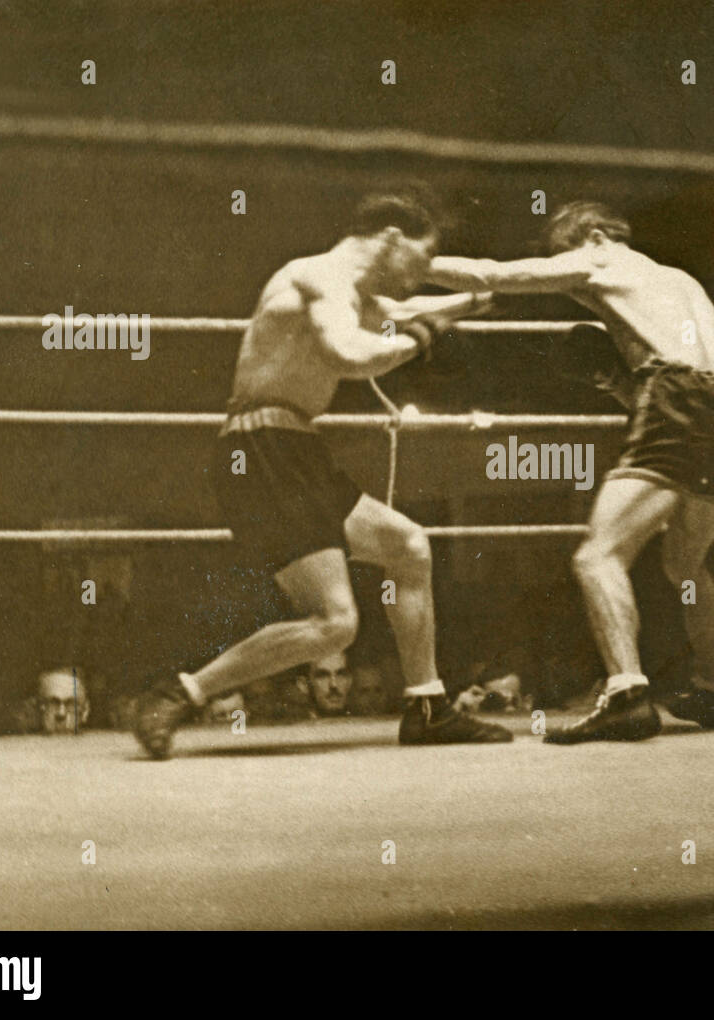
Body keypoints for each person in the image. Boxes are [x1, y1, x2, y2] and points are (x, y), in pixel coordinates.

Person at [133, 189, 511, 759]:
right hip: (262, 448)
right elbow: (350, 355)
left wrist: (462, 306)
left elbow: (396, 315)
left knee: (408, 545)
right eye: (421, 257)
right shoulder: (320, 278)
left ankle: (428, 707)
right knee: (335, 624)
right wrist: (424, 337)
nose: (422, 274)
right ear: (391, 237)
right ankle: (181, 691)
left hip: (296, 449)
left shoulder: (348, 290)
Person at [426, 201, 714, 743]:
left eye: (565, 258)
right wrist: (624, 383)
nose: (569, 277)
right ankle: (713, 691)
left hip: (679, 400)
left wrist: (409, 265)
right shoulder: (677, 279)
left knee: (597, 556)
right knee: (685, 563)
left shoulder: (602, 262)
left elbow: (494, 273)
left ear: (594, 237)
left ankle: (626, 694)